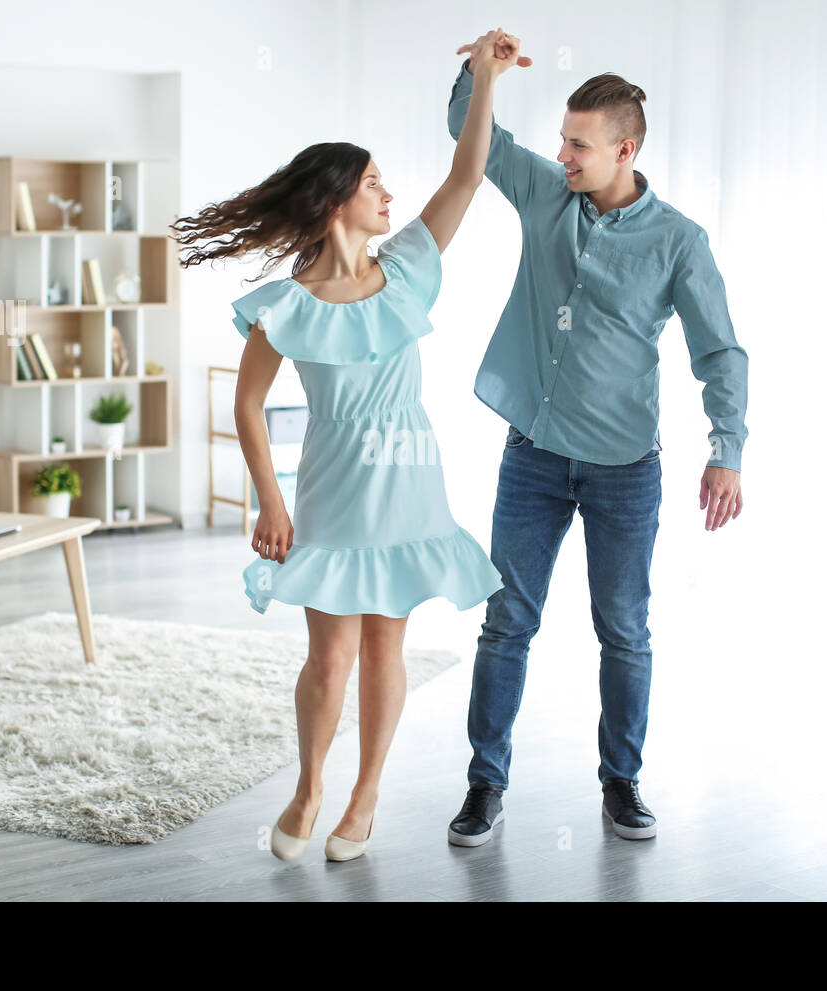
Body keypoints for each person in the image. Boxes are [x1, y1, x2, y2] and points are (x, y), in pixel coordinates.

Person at [169, 29, 528, 863]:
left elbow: (468, 175)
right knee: (327, 659)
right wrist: (269, 497)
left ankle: (365, 797)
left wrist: (482, 78)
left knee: (382, 645)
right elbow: (249, 403)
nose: (388, 194)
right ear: (336, 199)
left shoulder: (407, 267)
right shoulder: (285, 304)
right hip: (331, 485)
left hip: (408, 484)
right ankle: (309, 786)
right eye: (372, 183)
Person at [443, 35, 750, 847]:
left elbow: (719, 350)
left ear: (626, 148)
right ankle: (484, 784)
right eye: (562, 140)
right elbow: (467, 132)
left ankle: (622, 783)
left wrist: (728, 447)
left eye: (578, 144)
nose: (562, 154)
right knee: (507, 618)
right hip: (533, 456)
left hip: (624, 471)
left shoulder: (677, 240)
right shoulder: (548, 192)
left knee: (623, 629)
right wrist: (480, 71)